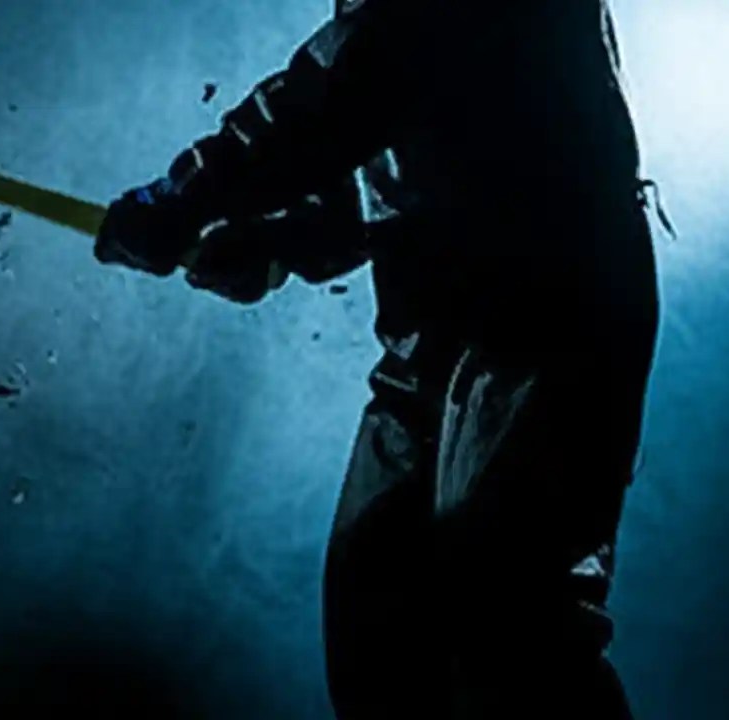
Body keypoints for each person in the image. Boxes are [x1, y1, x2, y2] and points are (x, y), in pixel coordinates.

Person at [94, 1, 666, 716]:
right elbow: (411, 140)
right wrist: (281, 240)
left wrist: (183, 197)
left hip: (548, 304)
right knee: (381, 630)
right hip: (440, 332)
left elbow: (376, 70)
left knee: (510, 609)